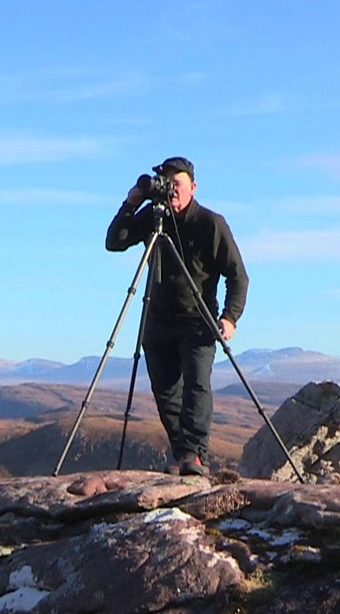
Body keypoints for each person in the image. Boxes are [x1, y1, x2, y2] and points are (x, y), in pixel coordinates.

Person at [105, 156, 248, 476]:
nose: (170, 191)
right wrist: (130, 205)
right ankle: (183, 454)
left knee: (197, 386)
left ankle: (195, 456)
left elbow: (238, 275)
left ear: (193, 187)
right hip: (158, 319)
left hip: (198, 320)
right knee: (166, 392)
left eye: (177, 184)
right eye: (166, 183)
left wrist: (230, 317)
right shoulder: (154, 218)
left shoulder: (211, 223)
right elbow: (114, 242)